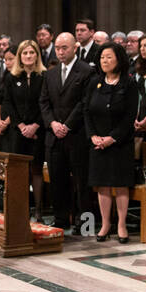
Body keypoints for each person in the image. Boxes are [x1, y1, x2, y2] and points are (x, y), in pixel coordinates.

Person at [40, 31, 92, 234]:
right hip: (54, 136)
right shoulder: (50, 73)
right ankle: (61, 219)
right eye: (58, 48)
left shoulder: (86, 71)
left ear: (74, 48)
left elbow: (84, 103)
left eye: (64, 48)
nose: (60, 52)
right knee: (57, 180)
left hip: (77, 135)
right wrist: (53, 123)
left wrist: (67, 125)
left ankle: (85, 225)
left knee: (82, 183)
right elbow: (44, 102)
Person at [85, 43, 138, 242]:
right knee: (102, 185)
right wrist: (93, 136)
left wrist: (112, 138)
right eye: (102, 58)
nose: (104, 61)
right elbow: (86, 111)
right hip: (98, 142)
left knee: (121, 184)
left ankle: (121, 224)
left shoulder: (129, 83)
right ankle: (105, 224)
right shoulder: (95, 82)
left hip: (120, 143)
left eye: (109, 57)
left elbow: (129, 116)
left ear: (118, 59)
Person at [1, 39, 47, 221]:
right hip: (17, 131)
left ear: (37, 55)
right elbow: (8, 104)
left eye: (31, 52)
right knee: (20, 171)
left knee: (36, 170)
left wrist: (35, 126)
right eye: (25, 53)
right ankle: (22, 210)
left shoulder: (44, 76)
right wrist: (21, 126)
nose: (28, 56)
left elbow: (46, 104)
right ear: (20, 56)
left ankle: (39, 210)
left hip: (38, 130)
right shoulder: (11, 77)